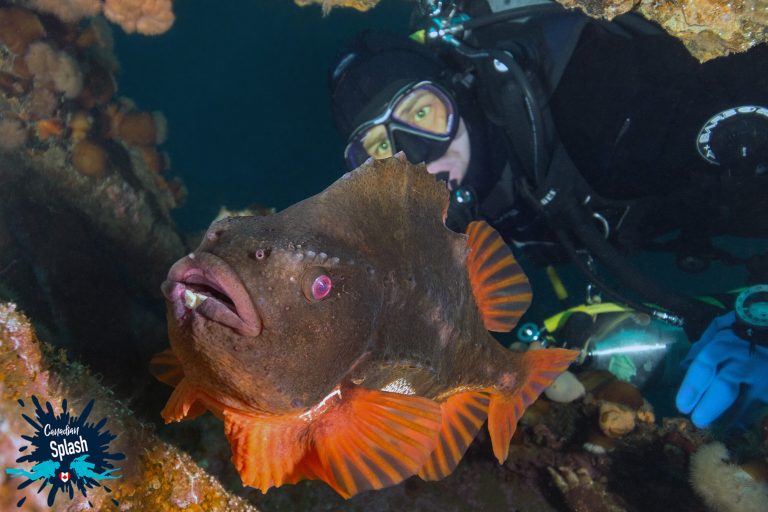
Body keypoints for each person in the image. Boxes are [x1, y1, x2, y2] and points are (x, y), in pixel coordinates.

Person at [328, 0, 768, 427]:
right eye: (382, 147)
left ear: (461, 90)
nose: (418, 158)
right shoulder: (463, 212)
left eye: (423, 113)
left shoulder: (603, 109)